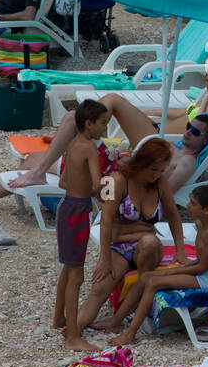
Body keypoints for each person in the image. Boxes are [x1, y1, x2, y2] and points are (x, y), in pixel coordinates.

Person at [0, 98, 208, 212]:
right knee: (32, 158)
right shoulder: (173, 147)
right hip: (114, 172)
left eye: (195, 132)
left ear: (205, 140)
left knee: (70, 119)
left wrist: (118, 193)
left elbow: (159, 196)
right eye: (188, 126)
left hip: (112, 187)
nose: (187, 132)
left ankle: (36, 176)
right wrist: (125, 160)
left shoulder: (185, 162)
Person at [93, 183, 208, 345]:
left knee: (152, 282)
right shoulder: (201, 223)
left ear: (207, 210)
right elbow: (201, 262)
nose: (188, 205)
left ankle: (130, 334)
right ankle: (115, 321)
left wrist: (167, 272)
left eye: (193, 203)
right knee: (145, 277)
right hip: (204, 271)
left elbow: (202, 267)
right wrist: (179, 268)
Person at [75, 138, 188, 331]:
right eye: (153, 169)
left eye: (162, 170)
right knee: (99, 289)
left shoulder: (160, 183)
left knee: (149, 242)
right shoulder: (115, 180)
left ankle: (117, 321)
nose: (158, 175)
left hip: (148, 246)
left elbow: (174, 216)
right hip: (119, 246)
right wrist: (104, 258)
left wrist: (180, 250)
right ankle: (74, 329)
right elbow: (106, 219)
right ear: (141, 163)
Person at [55, 99, 111, 352]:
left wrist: (83, 187)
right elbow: (99, 184)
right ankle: (73, 338)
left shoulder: (70, 144)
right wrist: (113, 182)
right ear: (89, 124)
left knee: (68, 268)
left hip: (65, 207)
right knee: (76, 275)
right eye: (103, 124)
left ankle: (59, 318)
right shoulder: (89, 147)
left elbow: (63, 182)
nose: (105, 129)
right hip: (78, 212)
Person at [143, 62, 208, 135]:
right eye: (207, 81)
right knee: (138, 116)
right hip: (159, 133)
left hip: (166, 141)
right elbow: (181, 112)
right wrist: (151, 112)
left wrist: (206, 99)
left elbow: (198, 128)